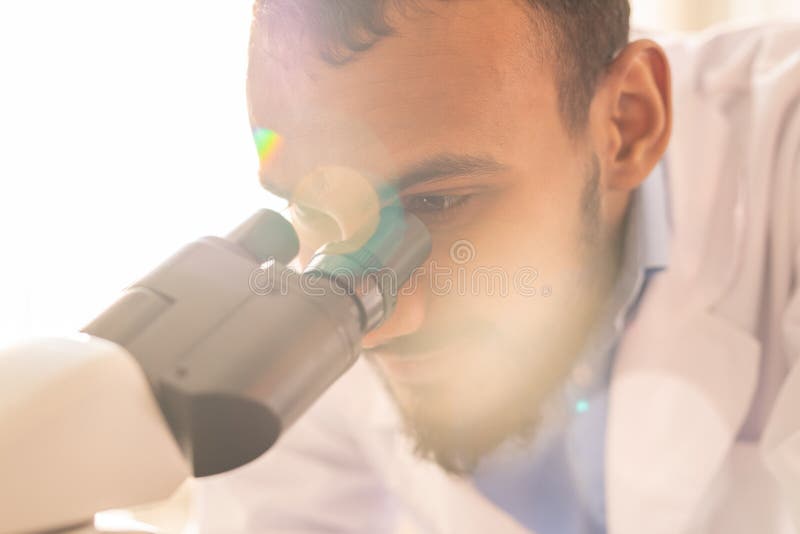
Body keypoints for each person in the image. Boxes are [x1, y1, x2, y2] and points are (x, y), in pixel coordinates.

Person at [197, 1, 800, 533]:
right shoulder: (317, 289)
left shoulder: (783, 154)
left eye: (437, 203)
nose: (373, 326)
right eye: (314, 206)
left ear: (628, 123)